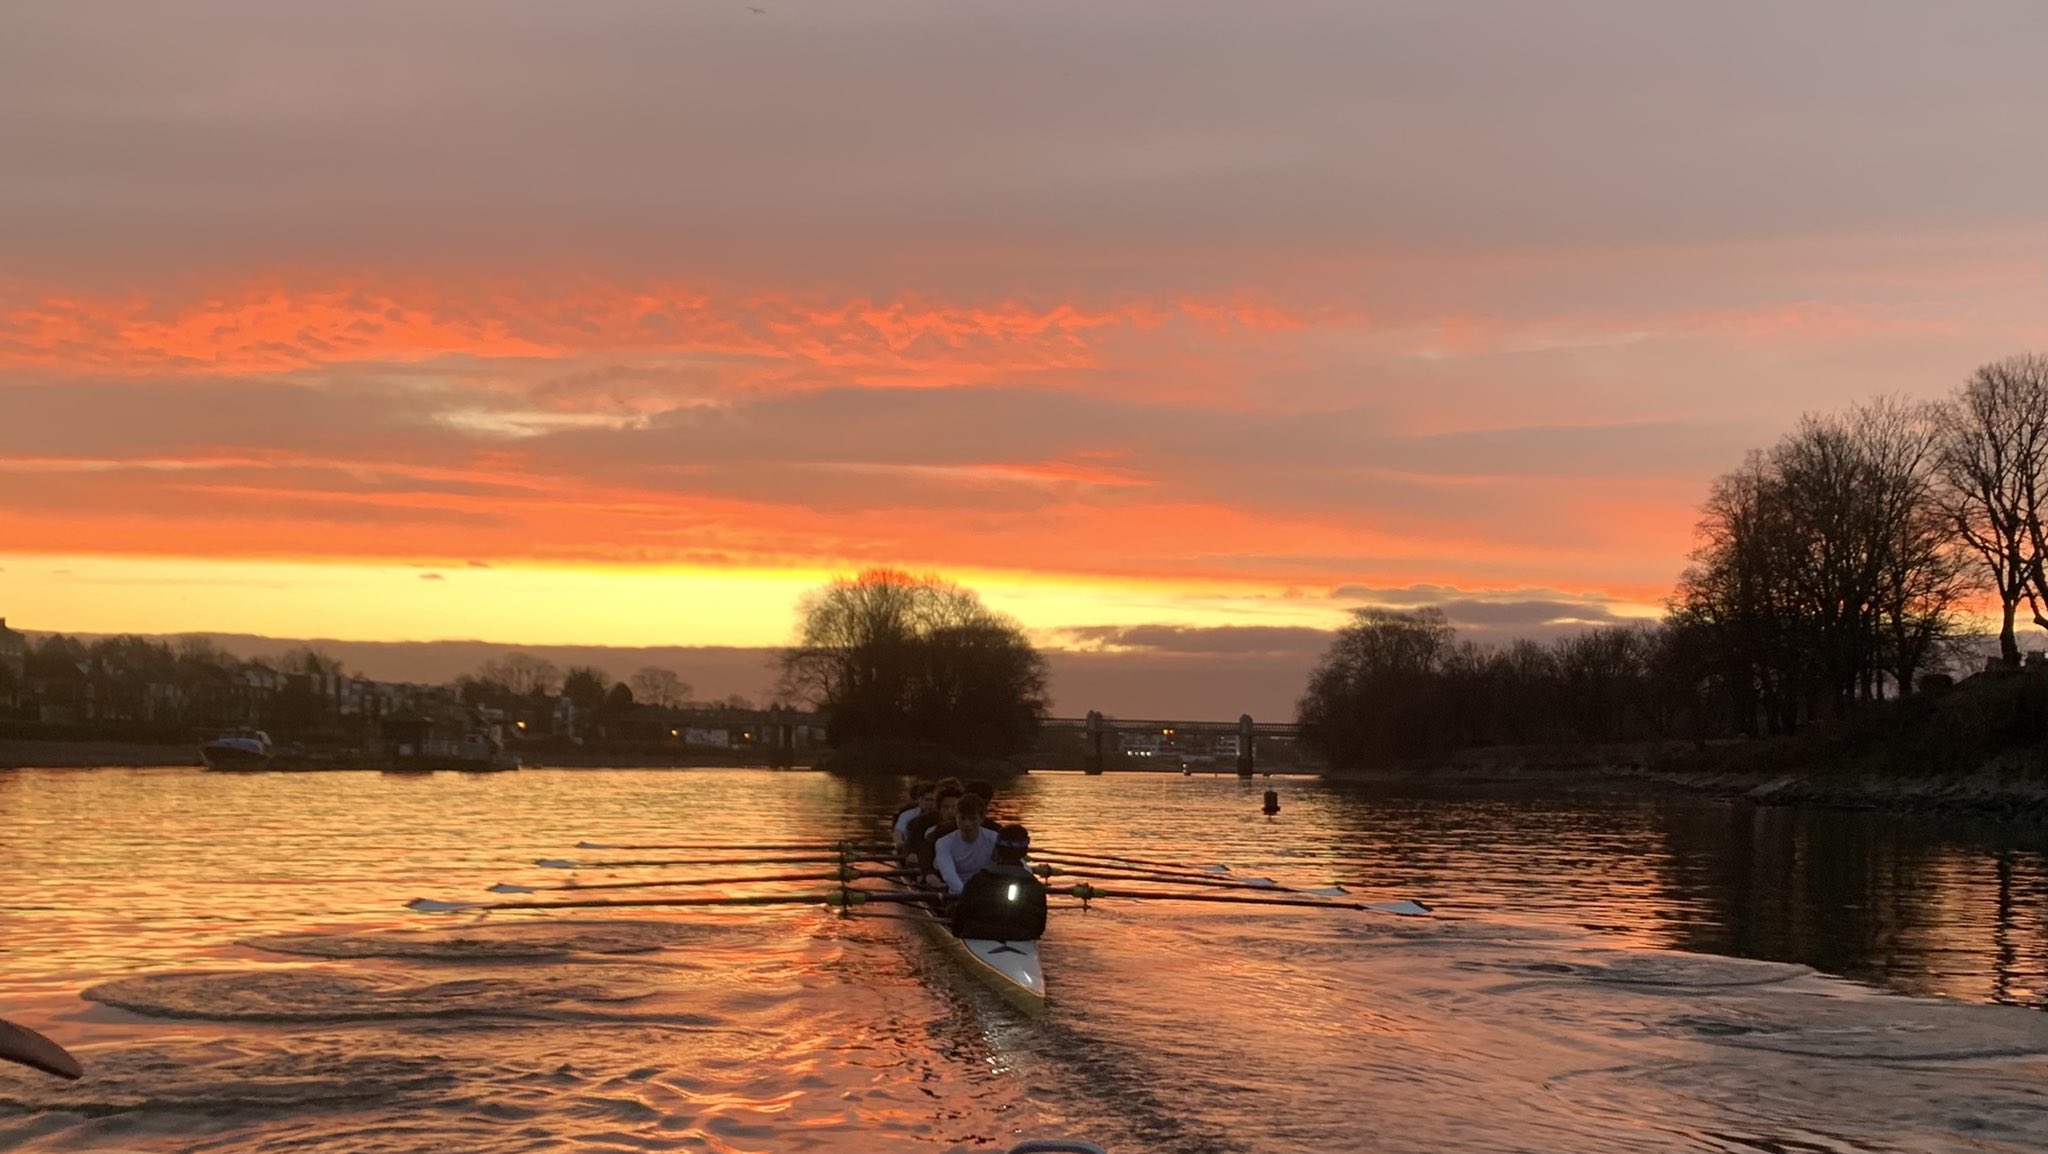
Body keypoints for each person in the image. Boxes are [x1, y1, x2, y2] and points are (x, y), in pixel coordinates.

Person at [952, 823, 1048, 941]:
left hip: (977, 934)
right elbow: (1039, 928)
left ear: (997, 848)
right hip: (1021, 936)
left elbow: (957, 924)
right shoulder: (1035, 886)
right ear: (1025, 851)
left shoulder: (977, 880)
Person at [933, 792, 996, 896]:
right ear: (956, 818)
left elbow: (1019, 865)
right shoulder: (943, 843)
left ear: (981, 819)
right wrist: (966, 896)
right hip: (957, 895)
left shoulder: (994, 839)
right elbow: (949, 875)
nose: (967, 824)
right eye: (962, 818)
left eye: (972, 819)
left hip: (988, 894)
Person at [892, 781, 934, 853]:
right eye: (927, 800)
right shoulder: (907, 815)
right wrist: (899, 842)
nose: (930, 803)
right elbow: (898, 831)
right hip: (910, 850)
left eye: (933, 800)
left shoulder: (941, 815)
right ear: (920, 799)